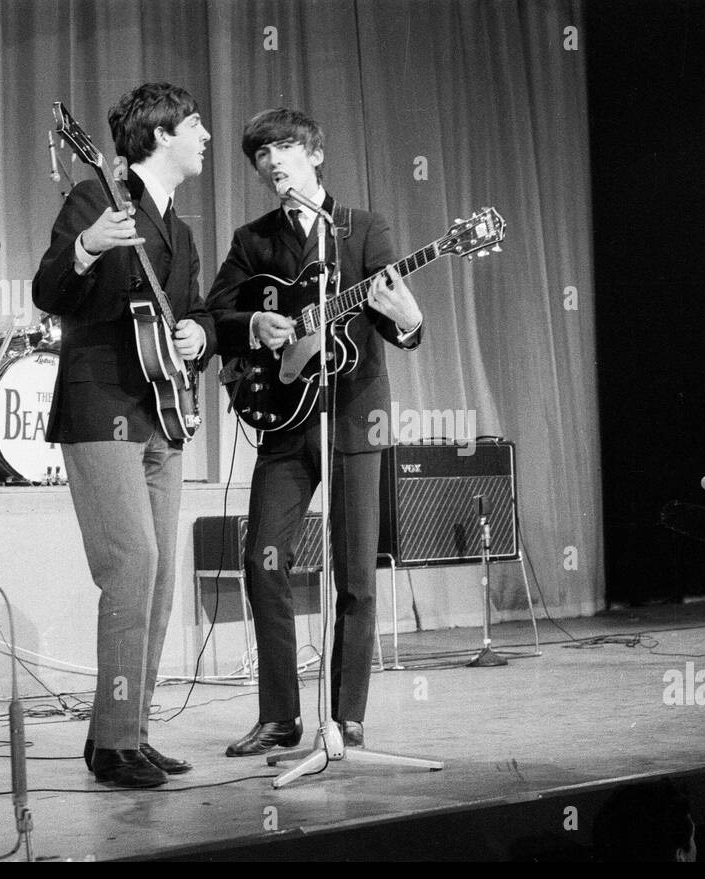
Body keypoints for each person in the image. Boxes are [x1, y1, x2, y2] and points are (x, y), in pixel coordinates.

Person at [205, 107, 425, 755]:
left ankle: (346, 717)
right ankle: (280, 716)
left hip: (355, 413)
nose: (272, 161)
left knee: (354, 571)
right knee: (261, 558)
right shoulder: (255, 240)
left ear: (314, 154)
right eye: (260, 155)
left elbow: (396, 323)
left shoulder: (361, 229)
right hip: (281, 416)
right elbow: (218, 311)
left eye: (283, 147)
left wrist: (410, 319)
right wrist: (255, 327)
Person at [33, 82, 214, 787]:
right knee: (131, 563)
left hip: (161, 412)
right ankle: (110, 743)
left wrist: (200, 330)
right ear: (161, 135)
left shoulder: (184, 229)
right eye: (195, 124)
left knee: (162, 574)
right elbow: (52, 290)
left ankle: (131, 730)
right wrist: (84, 247)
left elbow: (193, 312)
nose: (205, 135)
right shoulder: (96, 199)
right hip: (99, 401)